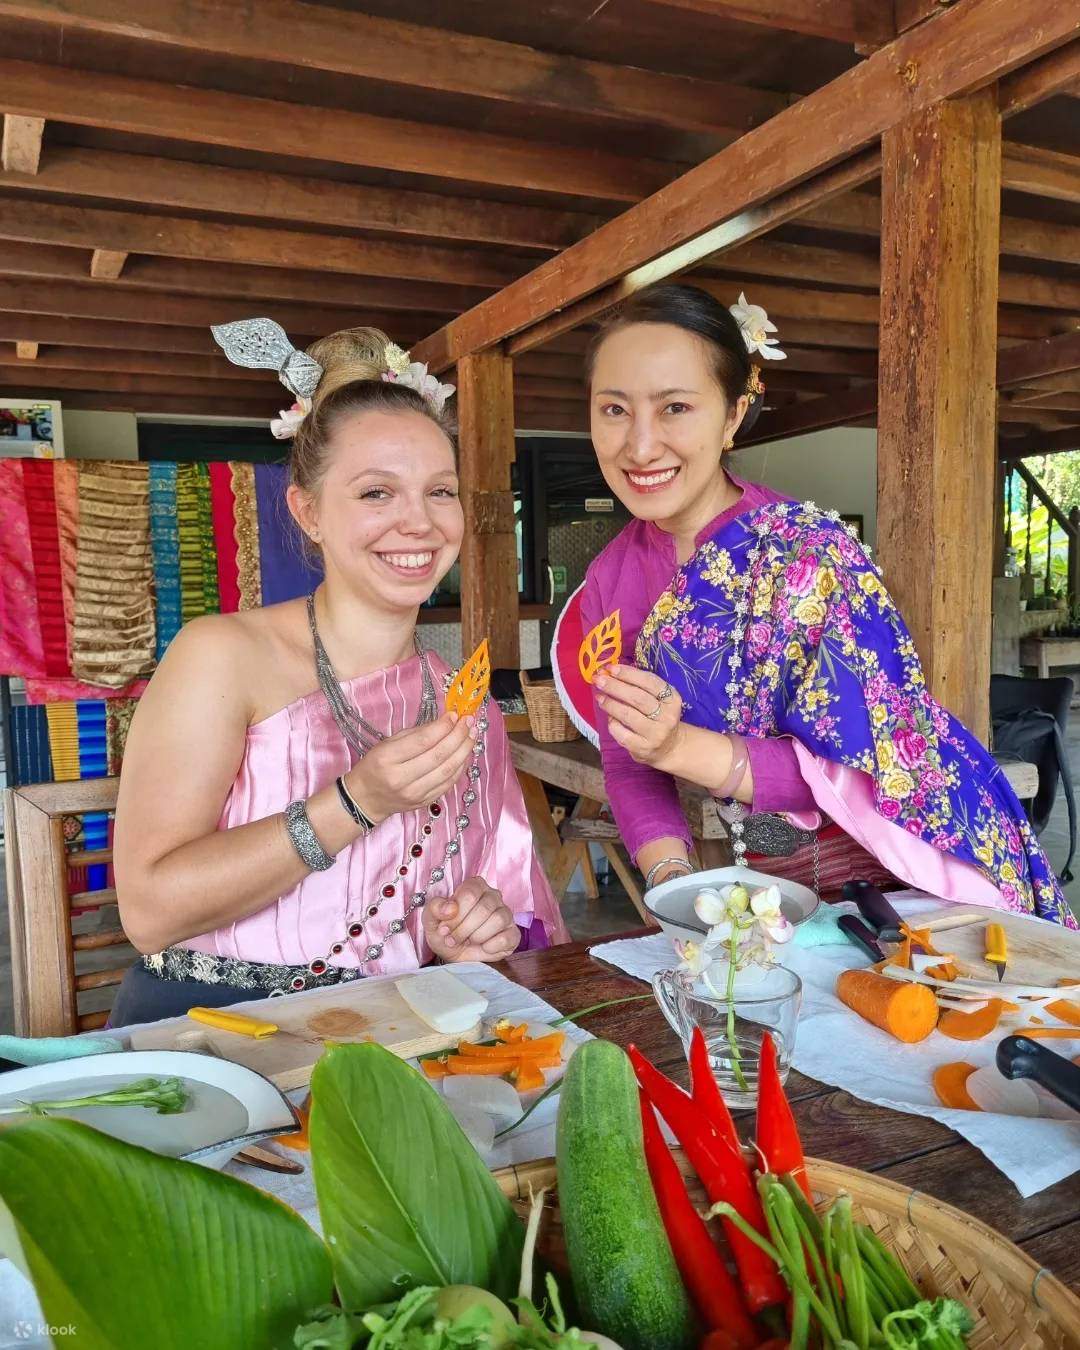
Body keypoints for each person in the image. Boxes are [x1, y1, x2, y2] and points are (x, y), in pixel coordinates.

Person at [558, 283, 1073, 926]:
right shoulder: (610, 578)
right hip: (772, 890)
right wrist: (674, 882)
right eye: (614, 409)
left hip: (917, 868)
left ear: (732, 415)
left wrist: (680, 748)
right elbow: (627, 753)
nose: (639, 447)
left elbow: (877, 764)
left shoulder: (807, 555)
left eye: (675, 408)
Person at [111, 320, 567, 1026]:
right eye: (377, 493)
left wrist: (468, 933)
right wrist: (356, 801)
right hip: (213, 1029)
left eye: (440, 491)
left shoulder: (462, 700)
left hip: (400, 1029)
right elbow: (149, 913)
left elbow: (489, 908)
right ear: (308, 511)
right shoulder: (221, 656)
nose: (419, 523)